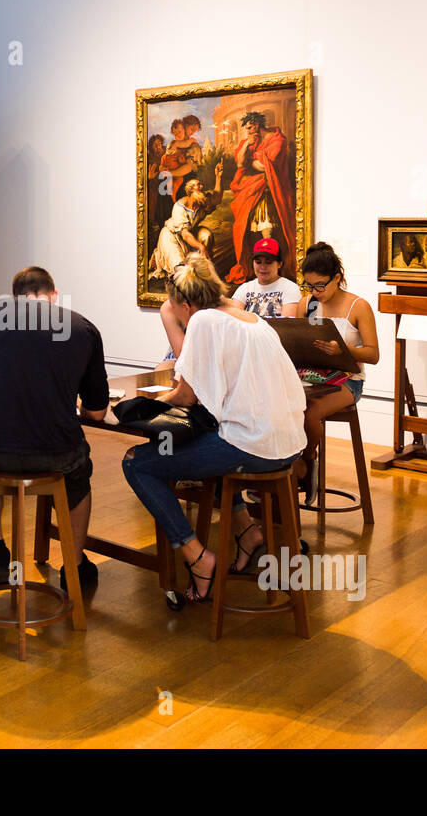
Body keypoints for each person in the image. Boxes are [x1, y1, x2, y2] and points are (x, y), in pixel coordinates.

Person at [122, 254, 306, 602]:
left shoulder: (205, 321)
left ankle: (197, 556)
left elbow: (187, 396)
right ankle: (247, 530)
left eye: (176, 311)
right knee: (207, 445)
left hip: (254, 448)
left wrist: (145, 404)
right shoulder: (252, 319)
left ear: (187, 306)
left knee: (138, 463)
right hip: (289, 444)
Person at [0, 266, 110, 590]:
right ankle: (74, 566)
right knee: (77, 479)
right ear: (54, 296)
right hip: (55, 452)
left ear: (16, 299)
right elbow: (97, 413)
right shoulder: (82, 327)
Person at [297, 242, 380, 505]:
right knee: (280, 406)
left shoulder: (358, 306)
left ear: (337, 278)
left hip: (348, 380)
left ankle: (306, 464)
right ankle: (283, 472)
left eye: (321, 285)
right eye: (310, 286)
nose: (315, 292)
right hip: (312, 376)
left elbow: (373, 354)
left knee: (311, 411)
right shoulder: (307, 304)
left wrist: (342, 350)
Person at [222, 111, 296, 285]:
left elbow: (265, 166)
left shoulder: (277, 139)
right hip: (250, 190)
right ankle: (256, 271)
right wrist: (248, 146)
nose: (247, 131)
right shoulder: (249, 141)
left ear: (256, 125)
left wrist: (252, 159)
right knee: (248, 229)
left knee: (267, 229)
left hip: (269, 190)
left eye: (249, 127)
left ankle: (273, 272)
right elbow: (241, 163)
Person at [149, 180, 213, 280]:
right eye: (198, 185)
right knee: (181, 271)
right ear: (191, 190)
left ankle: (200, 264)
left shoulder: (200, 203)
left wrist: (218, 177)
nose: (202, 186)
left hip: (189, 236)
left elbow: (217, 197)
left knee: (206, 234)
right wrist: (201, 246)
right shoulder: (180, 206)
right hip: (171, 236)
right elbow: (185, 234)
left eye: (201, 184)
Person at [231, 238, 300, 318]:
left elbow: (287, 325)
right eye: (258, 262)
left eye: (268, 262)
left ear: (279, 264)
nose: (263, 267)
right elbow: (234, 319)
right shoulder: (244, 288)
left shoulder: (290, 288)